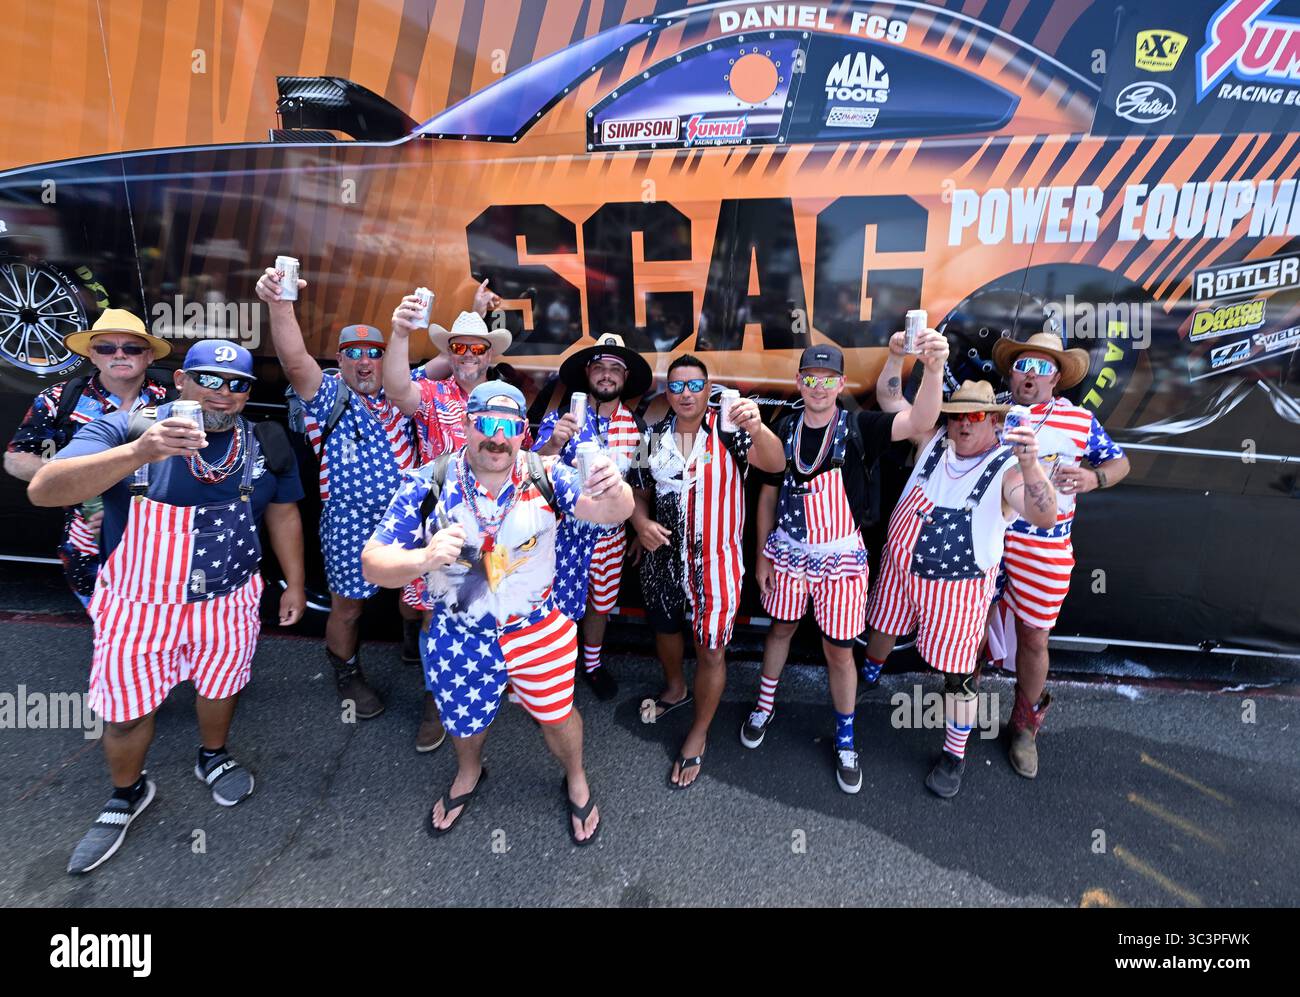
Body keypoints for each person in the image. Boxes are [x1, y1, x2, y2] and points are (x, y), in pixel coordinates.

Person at [28, 340, 306, 873]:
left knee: (220, 689)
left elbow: (284, 514)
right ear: (180, 380)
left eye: (237, 385)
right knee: (126, 715)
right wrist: (140, 452)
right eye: (207, 380)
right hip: (138, 604)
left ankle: (212, 756)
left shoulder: (265, 442)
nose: (222, 395)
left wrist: (293, 583)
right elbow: (45, 489)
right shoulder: (122, 428)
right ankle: (126, 794)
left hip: (229, 600)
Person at [361, 381, 633, 844]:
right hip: (459, 634)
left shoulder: (545, 474)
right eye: (484, 423)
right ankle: (469, 773)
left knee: (557, 715)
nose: (496, 437)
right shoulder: (429, 481)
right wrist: (422, 559)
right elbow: (374, 562)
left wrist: (616, 487)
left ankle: (575, 776)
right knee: (464, 720)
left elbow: (612, 512)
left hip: (537, 629)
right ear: (466, 425)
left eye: (507, 427)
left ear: (523, 432)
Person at [742, 334, 947, 793]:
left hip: (841, 561)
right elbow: (768, 493)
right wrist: (761, 557)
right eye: (811, 377)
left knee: (839, 652)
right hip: (788, 554)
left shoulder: (860, 426)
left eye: (828, 378)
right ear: (798, 381)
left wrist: (933, 369)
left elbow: (921, 419)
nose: (818, 386)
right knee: (780, 631)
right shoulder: (783, 425)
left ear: (841, 383)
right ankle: (764, 705)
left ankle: (846, 736)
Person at [255, 265, 429, 742]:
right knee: (348, 607)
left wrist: (474, 319)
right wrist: (278, 304)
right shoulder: (326, 393)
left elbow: (454, 363)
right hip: (349, 523)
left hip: (408, 521)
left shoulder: (402, 384)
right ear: (340, 359)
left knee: (416, 599)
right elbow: (293, 361)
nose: (365, 362)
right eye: (353, 354)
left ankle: (411, 640)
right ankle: (347, 671)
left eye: (374, 352)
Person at [862, 380, 1056, 797]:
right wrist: (898, 360)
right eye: (957, 415)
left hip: (958, 592)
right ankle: (869, 675)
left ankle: (954, 755)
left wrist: (1031, 465)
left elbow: (1044, 515)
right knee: (882, 624)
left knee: (959, 675)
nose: (964, 424)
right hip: (900, 571)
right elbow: (890, 398)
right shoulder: (933, 441)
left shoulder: (1007, 469)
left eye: (975, 416)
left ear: (993, 421)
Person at [631, 355, 785, 789]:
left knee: (712, 648)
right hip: (661, 557)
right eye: (676, 387)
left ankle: (698, 732)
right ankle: (676, 689)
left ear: (707, 388)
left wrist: (756, 427)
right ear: (667, 392)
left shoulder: (729, 429)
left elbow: (774, 464)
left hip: (715, 562)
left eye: (693, 385)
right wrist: (639, 524)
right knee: (664, 629)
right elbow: (639, 490)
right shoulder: (653, 436)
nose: (685, 394)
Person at [988, 332, 1130, 778]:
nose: (1031, 374)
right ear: (1011, 371)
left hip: (1044, 545)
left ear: (1058, 379)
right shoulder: (986, 409)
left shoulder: (1079, 421)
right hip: (987, 536)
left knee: (1034, 636)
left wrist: (1093, 480)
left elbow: (1120, 463)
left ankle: (1025, 728)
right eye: (1024, 364)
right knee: (970, 629)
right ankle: (960, 718)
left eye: (1043, 367)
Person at [5, 310, 173, 608]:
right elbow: (16, 457)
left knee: (160, 620)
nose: (119, 355)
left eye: (131, 348)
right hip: (88, 540)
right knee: (109, 622)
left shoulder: (173, 400)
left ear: (149, 356)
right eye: (106, 348)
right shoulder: (59, 398)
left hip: (161, 534)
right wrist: (72, 482)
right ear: (92, 356)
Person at [533, 333, 651, 699]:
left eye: (615, 368)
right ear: (587, 373)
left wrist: (637, 528)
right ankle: (555, 672)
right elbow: (532, 470)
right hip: (565, 536)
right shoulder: (561, 417)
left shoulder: (638, 429)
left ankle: (593, 665)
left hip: (611, 537)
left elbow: (640, 483)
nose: (606, 374)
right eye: (599, 366)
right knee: (559, 607)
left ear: (625, 378)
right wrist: (555, 441)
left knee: (600, 605)